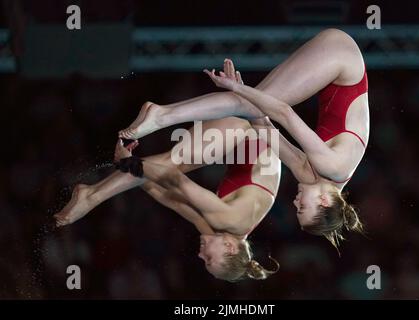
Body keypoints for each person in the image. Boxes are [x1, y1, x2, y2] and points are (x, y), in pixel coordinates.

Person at [118, 28, 368, 249]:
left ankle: (162, 114)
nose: (295, 202)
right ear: (324, 201)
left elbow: (265, 128)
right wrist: (239, 90)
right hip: (342, 58)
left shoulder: (310, 176)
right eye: (302, 207)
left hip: (334, 76)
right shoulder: (333, 168)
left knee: (248, 108)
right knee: (248, 105)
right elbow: (284, 113)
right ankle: (162, 115)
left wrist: (242, 92)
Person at [54, 115, 282, 282]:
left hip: (239, 144)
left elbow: (168, 197)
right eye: (209, 259)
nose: (200, 254)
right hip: (244, 132)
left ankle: (92, 194)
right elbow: (176, 181)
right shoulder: (231, 220)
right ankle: (92, 196)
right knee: (173, 164)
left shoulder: (220, 230)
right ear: (231, 248)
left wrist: (136, 170)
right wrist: (131, 165)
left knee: (162, 167)